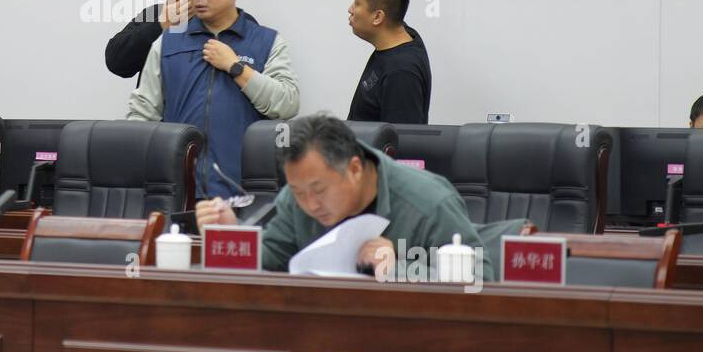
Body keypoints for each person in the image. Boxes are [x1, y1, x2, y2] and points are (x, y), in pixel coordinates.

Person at [195, 113, 491, 279]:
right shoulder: (295, 201)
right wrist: (229, 236)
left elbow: (482, 281)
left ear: (354, 168)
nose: (310, 205)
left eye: (320, 190)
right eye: (299, 192)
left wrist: (398, 269)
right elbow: (270, 260)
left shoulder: (428, 202)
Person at [127, 0, 299, 200]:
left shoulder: (266, 41)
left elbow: (287, 104)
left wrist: (236, 67)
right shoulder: (167, 42)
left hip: (245, 195)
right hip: (178, 194)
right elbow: (141, 116)